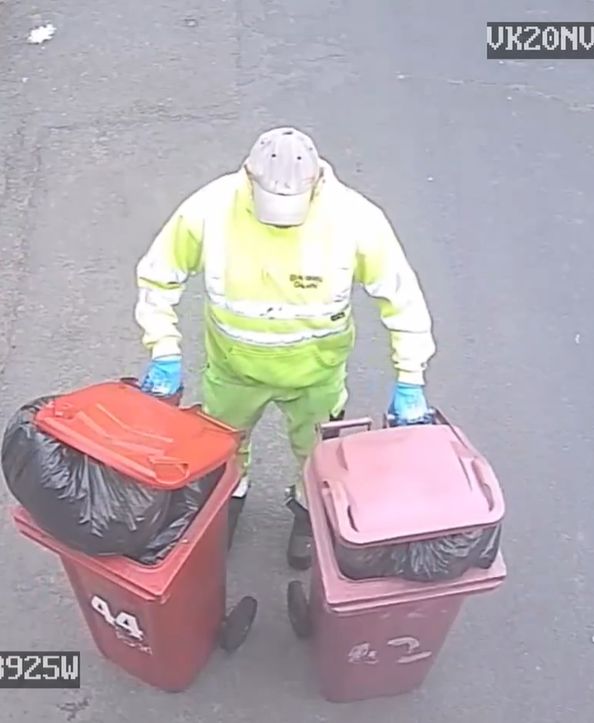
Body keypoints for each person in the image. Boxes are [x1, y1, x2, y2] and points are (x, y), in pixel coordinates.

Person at [132, 127, 437, 571]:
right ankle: (228, 498)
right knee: (221, 447)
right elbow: (158, 276)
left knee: (317, 458)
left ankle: (306, 510)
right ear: (248, 181)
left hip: (315, 376)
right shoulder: (209, 211)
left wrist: (411, 377)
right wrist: (163, 348)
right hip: (234, 372)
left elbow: (402, 297)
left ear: (316, 187)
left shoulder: (354, 221)